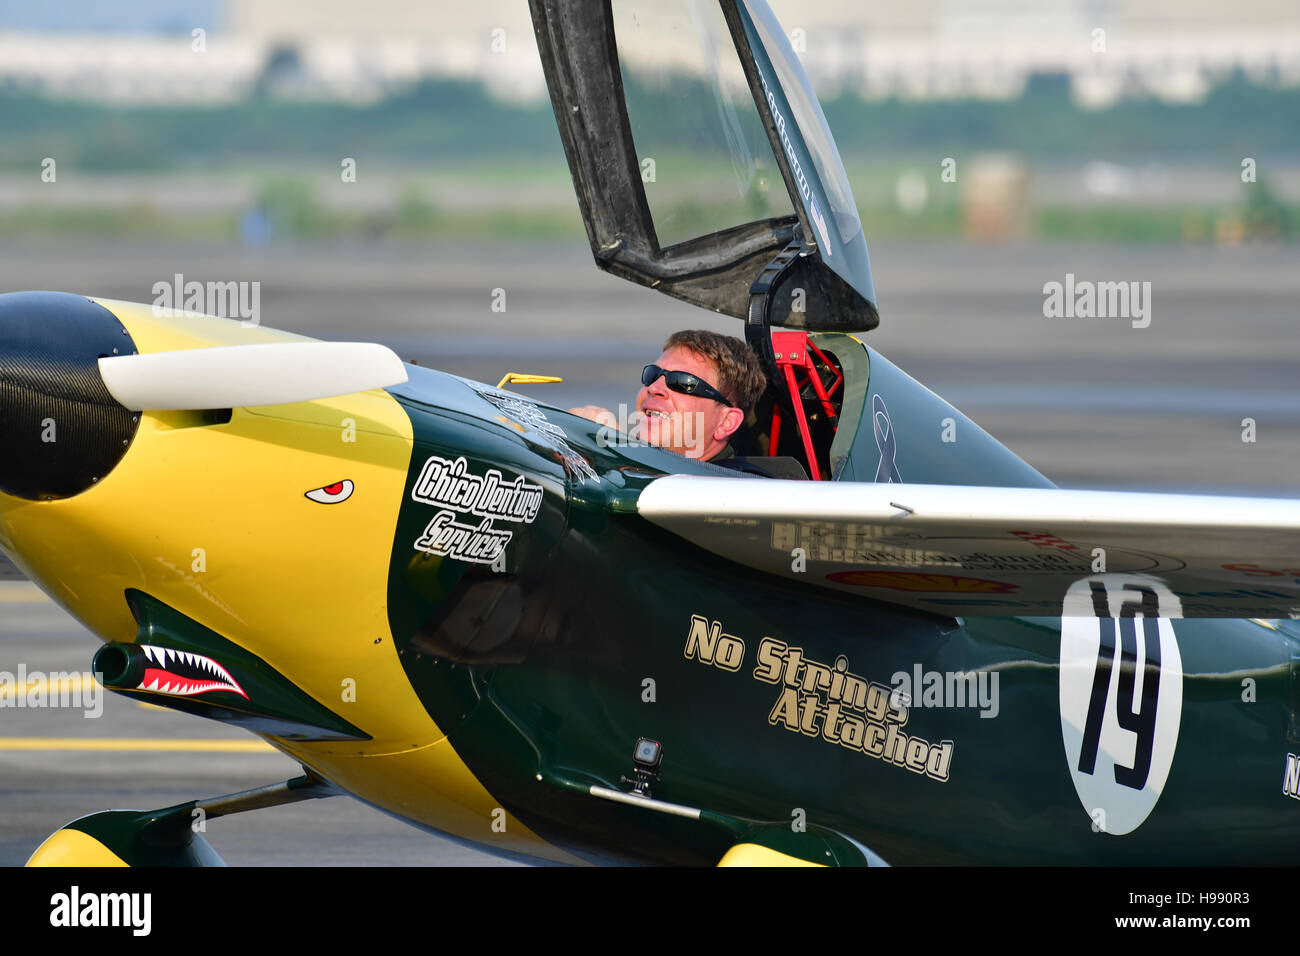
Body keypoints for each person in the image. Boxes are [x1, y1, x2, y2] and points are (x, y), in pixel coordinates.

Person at [569, 329, 766, 463]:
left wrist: (615, 455)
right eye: (652, 374)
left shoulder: (735, 495)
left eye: (683, 382)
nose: (654, 387)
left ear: (726, 422)